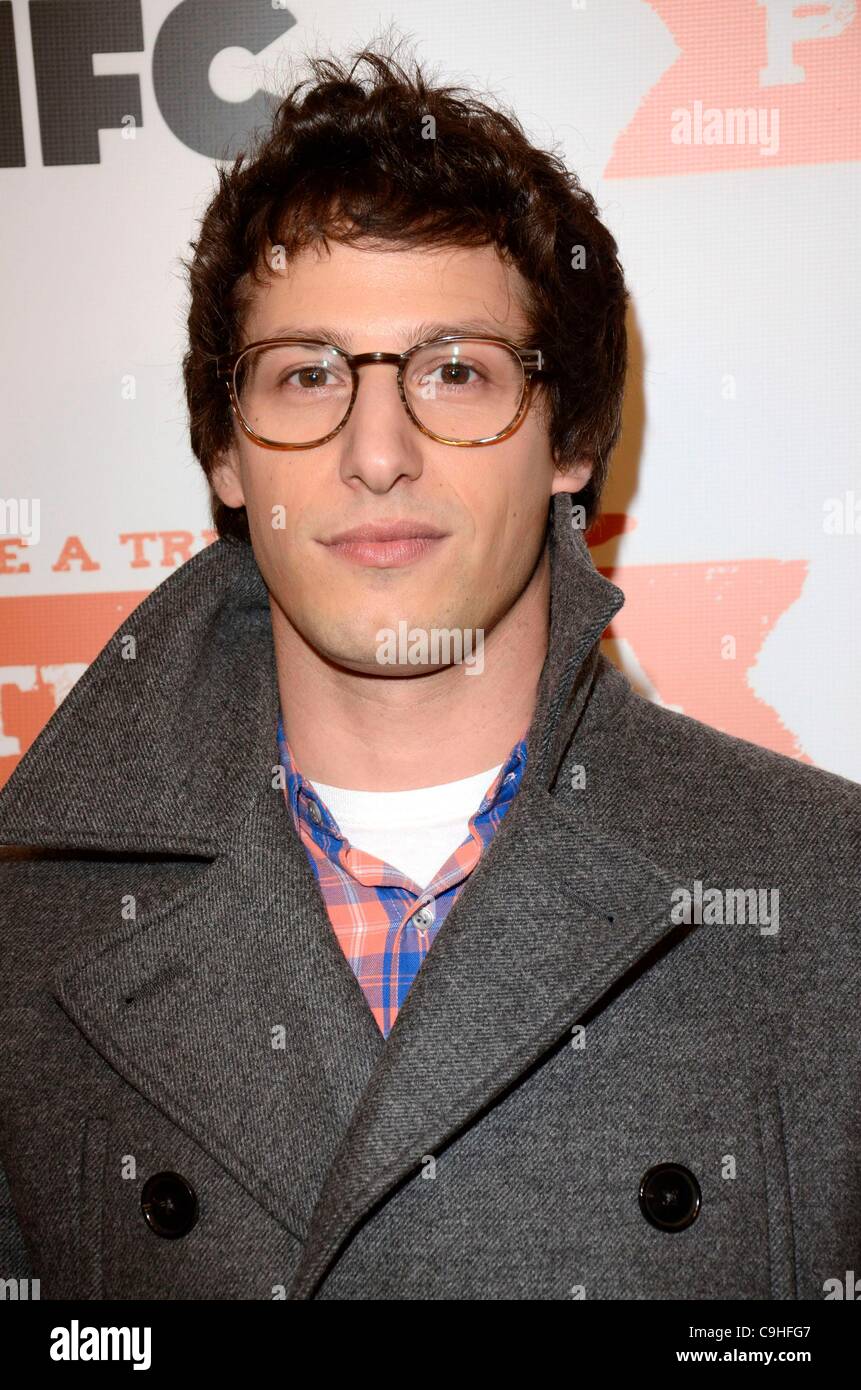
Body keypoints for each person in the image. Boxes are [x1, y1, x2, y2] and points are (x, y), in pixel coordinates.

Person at [0, 43, 858, 1302]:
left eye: (455, 369)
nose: (378, 450)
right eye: (307, 376)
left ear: (568, 440)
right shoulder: (34, 936)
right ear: (227, 457)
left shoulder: (827, 895)